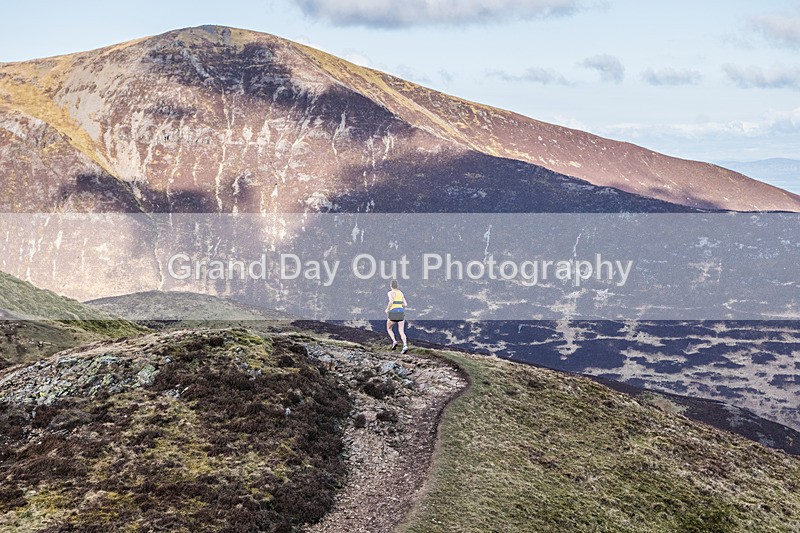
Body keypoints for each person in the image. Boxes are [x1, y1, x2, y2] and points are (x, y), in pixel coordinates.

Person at [385, 279, 408, 353]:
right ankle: (405, 345)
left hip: (393, 311)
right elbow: (405, 304)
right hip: (401, 311)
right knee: (401, 330)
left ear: (391, 286)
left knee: (389, 328)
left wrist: (387, 309)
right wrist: (399, 304)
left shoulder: (390, 293)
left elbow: (391, 302)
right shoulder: (400, 293)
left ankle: (394, 341)